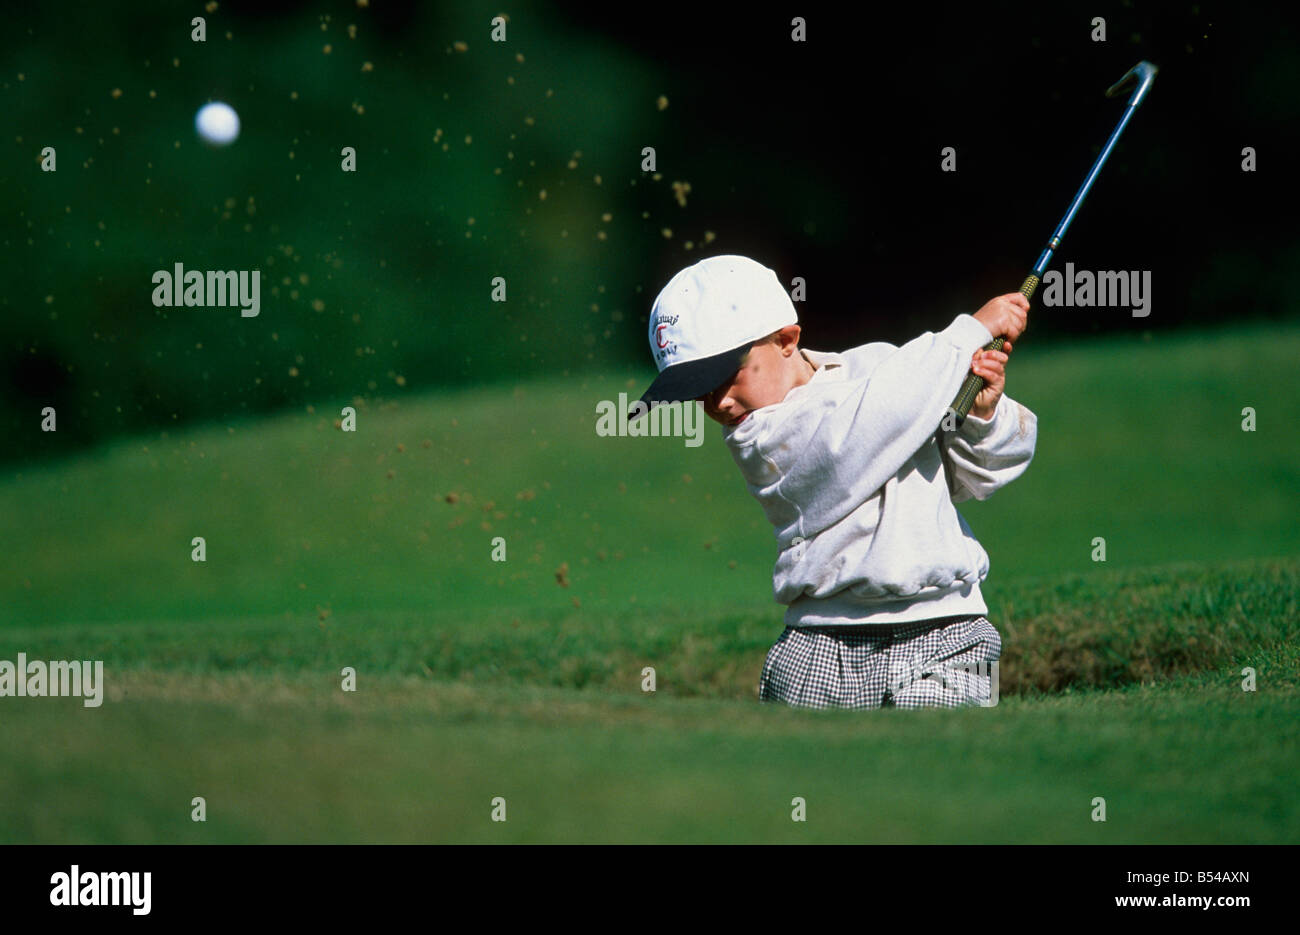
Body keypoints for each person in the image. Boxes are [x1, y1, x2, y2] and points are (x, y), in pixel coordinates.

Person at [636, 254, 1036, 709]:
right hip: (820, 649)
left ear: (786, 339)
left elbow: (980, 474)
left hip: (949, 630)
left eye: (725, 377)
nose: (719, 404)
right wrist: (971, 332)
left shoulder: (879, 369)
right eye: (698, 392)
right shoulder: (760, 438)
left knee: (928, 765)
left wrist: (981, 414)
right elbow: (866, 428)